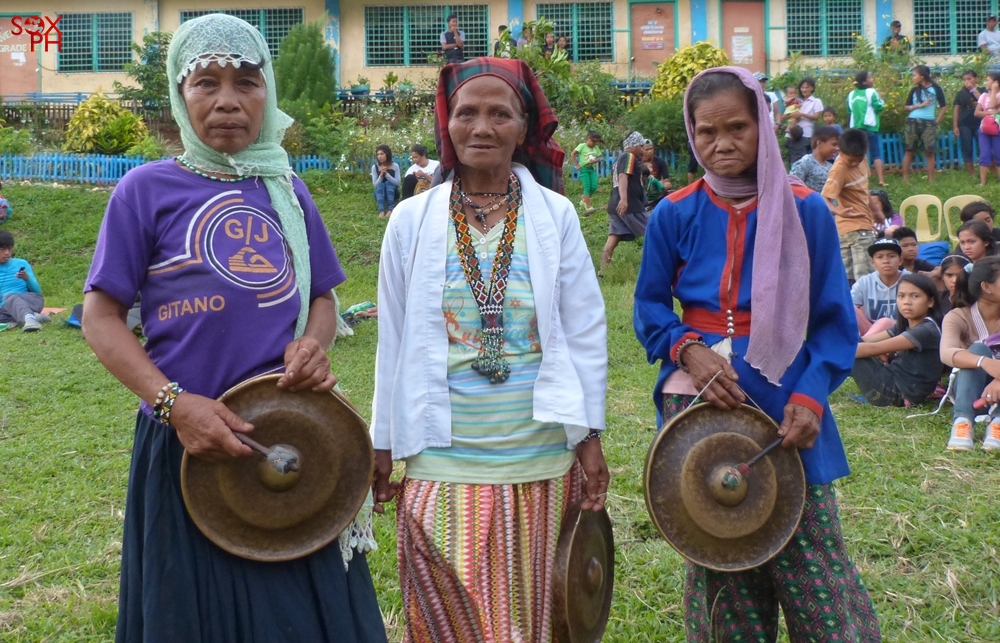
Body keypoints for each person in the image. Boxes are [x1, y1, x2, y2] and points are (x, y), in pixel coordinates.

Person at [79, 14, 387, 643]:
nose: (227, 99)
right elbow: (100, 318)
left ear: (267, 93)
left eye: (246, 82)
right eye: (205, 83)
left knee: (302, 617)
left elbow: (321, 299)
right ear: (178, 93)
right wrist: (173, 404)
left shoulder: (288, 193)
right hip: (189, 443)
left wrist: (314, 344)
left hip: (295, 439)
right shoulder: (145, 192)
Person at [633, 66, 881, 643]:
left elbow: (833, 324)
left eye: (738, 127)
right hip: (696, 408)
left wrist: (810, 395)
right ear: (690, 133)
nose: (721, 143)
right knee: (721, 557)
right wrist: (687, 350)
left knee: (810, 558)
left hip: (785, 402)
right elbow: (649, 308)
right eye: (705, 131)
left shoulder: (805, 210)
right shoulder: (674, 212)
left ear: (765, 124)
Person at [372, 57, 609, 643]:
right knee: (446, 620)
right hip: (441, 458)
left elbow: (584, 331)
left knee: (528, 621)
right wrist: (382, 441)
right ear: (446, 125)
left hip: (538, 457)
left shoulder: (556, 216)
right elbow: (393, 337)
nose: (482, 126)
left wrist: (589, 436)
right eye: (467, 112)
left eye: (499, 113)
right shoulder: (410, 219)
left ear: (523, 127)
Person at [853, 274, 943, 407]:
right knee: (851, 346)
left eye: (915, 296)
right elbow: (867, 340)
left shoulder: (926, 330)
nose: (907, 301)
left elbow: (874, 348)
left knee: (850, 351)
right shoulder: (906, 325)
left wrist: (833, 348)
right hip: (893, 382)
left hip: (895, 394)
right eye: (901, 296)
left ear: (930, 301)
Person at [940, 256, 1000, 450]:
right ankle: (963, 422)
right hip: (972, 393)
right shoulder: (958, 316)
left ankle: (998, 423)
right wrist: (984, 362)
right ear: (986, 287)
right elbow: (947, 352)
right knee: (977, 349)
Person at [823, 128, 875, 284]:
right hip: (854, 230)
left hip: (864, 224)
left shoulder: (863, 159)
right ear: (840, 151)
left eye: (857, 160)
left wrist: (877, 211)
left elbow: (865, 190)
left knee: (849, 279)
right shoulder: (838, 170)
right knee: (865, 280)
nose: (854, 164)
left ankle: (852, 308)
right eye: (850, 160)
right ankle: (860, 308)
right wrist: (839, 211)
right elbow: (824, 198)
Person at [603, 131, 649, 272]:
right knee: (654, 231)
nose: (642, 150)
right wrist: (624, 200)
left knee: (612, 240)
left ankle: (603, 273)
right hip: (629, 206)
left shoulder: (619, 159)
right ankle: (654, 268)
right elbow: (623, 177)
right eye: (641, 146)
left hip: (615, 206)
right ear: (633, 145)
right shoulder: (629, 156)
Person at [852, 237, 908, 335]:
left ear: (900, 260)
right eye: (880, 257)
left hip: (902, 332)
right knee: (850, 308)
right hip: (871, 331)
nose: (886, 260)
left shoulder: (911, 280)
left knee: (885, 322)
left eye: (891, 256)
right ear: (872, 262)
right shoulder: (864, 282)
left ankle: (862, 348)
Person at [902, 65, 947, 183]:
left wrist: (936, 121)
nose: (913, 77)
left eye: (914, 75)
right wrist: (919, 106)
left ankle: (931, 179)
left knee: (929, 151)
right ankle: (905, 178)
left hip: (928, 122)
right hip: (912, 121)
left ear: (922, 76)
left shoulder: (936, 89)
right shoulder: (914, 90)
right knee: (909, 150)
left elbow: (944, 107)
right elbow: (906, 107)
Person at [0, 230, 44, 332]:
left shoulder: (21, 263)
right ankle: (30, 316)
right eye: (2, 249)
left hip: (30, 300)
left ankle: (30, 320)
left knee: (11, 297)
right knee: (8, 301)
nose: (7, 253)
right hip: (4, 309)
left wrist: (27, 278)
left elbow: (37, 291)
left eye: (9, 249)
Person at [848, 70, 887, 186]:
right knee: (876, 153)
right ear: (865, 81)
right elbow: (879, 107)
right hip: (870, 127)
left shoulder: (851, 94)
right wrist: (881, 98)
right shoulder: (872, 92)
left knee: (860, 154)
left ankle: (863, 179)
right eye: (870, 78)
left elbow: (849, 110)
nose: (872, 79)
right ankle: (881, 180)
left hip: (855, 128)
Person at [953, 70, 985, 178]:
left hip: (980, 123)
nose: (967, 82)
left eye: (969, 79)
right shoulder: (960, 94)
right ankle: (972, 174)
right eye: (965, 79)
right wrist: (955, 126)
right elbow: (956, 110)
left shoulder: (982, 91)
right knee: (967, 148)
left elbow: (984, 103)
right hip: (965, 123)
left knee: (983, 147)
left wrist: (973, 90)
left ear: (976, 79)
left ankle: (988, 170)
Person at [790, 124, 839, 192]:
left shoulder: (831, 166)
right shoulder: (806, 163)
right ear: (819, 143)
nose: (837, 148)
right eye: (834, 144)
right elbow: (792, 188)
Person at [781, 77, 823, 148]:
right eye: (802, 88)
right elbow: (783, 117)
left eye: (807, 87)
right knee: (794, 157)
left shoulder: (816, 101)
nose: (804, 90)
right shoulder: (795, 100)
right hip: (792, 134)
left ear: (812, 88)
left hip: (806, 134)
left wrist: (802, 115)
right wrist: (792, 115)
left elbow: (816, 117)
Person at [976, 72, 1000, 186]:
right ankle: (983, 182)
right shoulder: (983, 96)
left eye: (988, 80)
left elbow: (994, 104)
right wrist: (991, 112)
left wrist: (994, 90)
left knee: (999, 155)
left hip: (998, 128)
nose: (986, 83)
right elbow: (977, 112)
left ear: (996, 83)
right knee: (984, 155)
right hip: (984, 128)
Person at [572, 130, 603, 214]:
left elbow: (599, 157)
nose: (594, 144)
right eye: (593, 141)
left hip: (591, 169)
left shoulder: (596, 148)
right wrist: (577, 165)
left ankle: (584, 200)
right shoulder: (582, 146)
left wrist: (595, 161)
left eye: (596, 142)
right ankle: (588, 206)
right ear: (588, 138)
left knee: (594, 186)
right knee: (587, 187)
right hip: (584, 169)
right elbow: (573, 154)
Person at [371, 144, 400, 217]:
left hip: (393, 193)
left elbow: (398, 183)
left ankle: (391, 209)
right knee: (380, 184)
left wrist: (387, 174)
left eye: (382, 154)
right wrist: (381, 175)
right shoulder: (375, 167)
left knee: (388, 183)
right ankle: (381, 211)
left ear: (387, 154)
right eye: (378, 154)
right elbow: (375, 185)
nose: (379, 156)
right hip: (379, 193)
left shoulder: (395, 166)